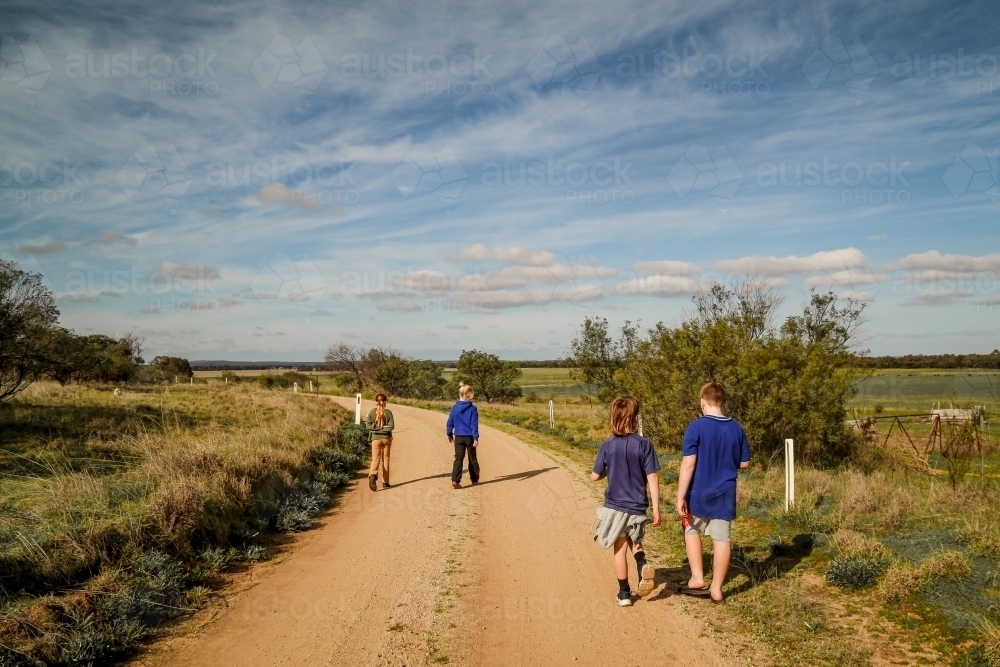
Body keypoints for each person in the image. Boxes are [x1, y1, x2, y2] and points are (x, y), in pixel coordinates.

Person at [676, 380, 751, 604]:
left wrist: (680, 496)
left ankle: (697, 578)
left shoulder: (696, 427)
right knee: (722, 539)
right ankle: (717, 589)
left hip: (699, 490)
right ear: (725, 403)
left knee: (690, 529)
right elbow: (744, 463)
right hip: (725, 491)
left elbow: (688, 464)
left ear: (702, 403)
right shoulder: (736, 427)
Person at [591, 395, 661, 607]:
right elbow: (652, 477)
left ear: (613, 418)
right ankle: (641, 564)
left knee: (619, 549)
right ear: (636, 418)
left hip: (614, 506)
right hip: (637, 505)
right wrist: (656, 508)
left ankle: (624, 593)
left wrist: (606, 471)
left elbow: (594, 476)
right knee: (635, 539)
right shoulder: (644, 445)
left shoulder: (607, 445)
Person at [446, 384, 479, 489]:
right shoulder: (473, 409)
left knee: (458, 459)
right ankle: (474, 479)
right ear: (470, 394)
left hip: (458, 437)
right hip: (469, 437)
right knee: (472, 458)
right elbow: (474, 424)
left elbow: (450, 422)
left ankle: (455, 480)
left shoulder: (455, 408)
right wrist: (476, 438)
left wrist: (449, 434)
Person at [366, 393, 395, 491]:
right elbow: (391, 427)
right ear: (385, 402)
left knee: (375, 459)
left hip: (376, 439)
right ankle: (385, 482)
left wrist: (376, 429)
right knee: (386, 459)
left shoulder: (372, 413)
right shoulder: (389, 412)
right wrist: (384, 428)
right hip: (386, 439)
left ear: (376, 402)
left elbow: (368, 426)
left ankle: (372, 474)